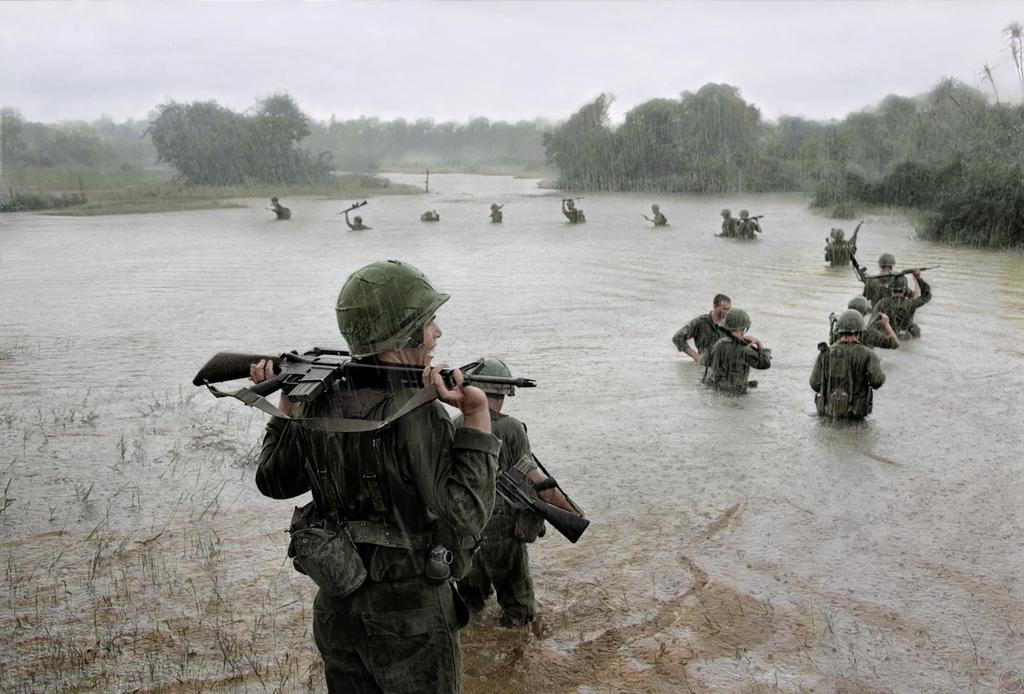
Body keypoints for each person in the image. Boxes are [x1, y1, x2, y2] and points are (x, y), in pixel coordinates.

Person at [252, 259, 500, 693]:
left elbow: (274, 482)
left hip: (336, 607)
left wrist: (286, 408)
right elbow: (465, 515)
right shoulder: (417, 410)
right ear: (405, 333)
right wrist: (477, 417)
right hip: (410, 615)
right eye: (429, 321)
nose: (437, 332)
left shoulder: (316, 397)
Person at [454, 358, 572, 632]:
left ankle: (477, 648)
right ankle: (515, 654)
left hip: (466, 526)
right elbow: (531, 477)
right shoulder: (512, 428)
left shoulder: (454, 423)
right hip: (502, 527)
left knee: (470, 600)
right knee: (519, 607)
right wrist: (566, 511)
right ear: (503, 395)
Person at [811, 309, 886, 420]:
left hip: (828, 415)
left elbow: (814, 384)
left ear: (839, 331)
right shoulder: (869, 355)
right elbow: (877, 381)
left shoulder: (825, 353)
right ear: (860, 332)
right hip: (855, 418)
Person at [702, 308, 772, 394]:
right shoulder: (745, 349)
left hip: (715, 388)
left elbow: (705, 362)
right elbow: (765, 364)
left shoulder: (719, 343)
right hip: (735, 393)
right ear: (743, 328)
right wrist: (758, 343)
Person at [672, 294, 732, 363]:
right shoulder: (701, 322)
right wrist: (695, 356)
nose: (728, 312)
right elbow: (677, 338)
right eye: (724, 309)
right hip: (706, 366)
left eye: (729, 309)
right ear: (714, 306)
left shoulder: (731, 323)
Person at [871, 270, 931, 338]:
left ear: (890, 289)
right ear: (905, 290)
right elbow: (927, 295)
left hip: (889, 337)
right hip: (906, 337)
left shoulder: (881, 303)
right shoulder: (911, 303)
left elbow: (872, 324)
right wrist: (918, 278)